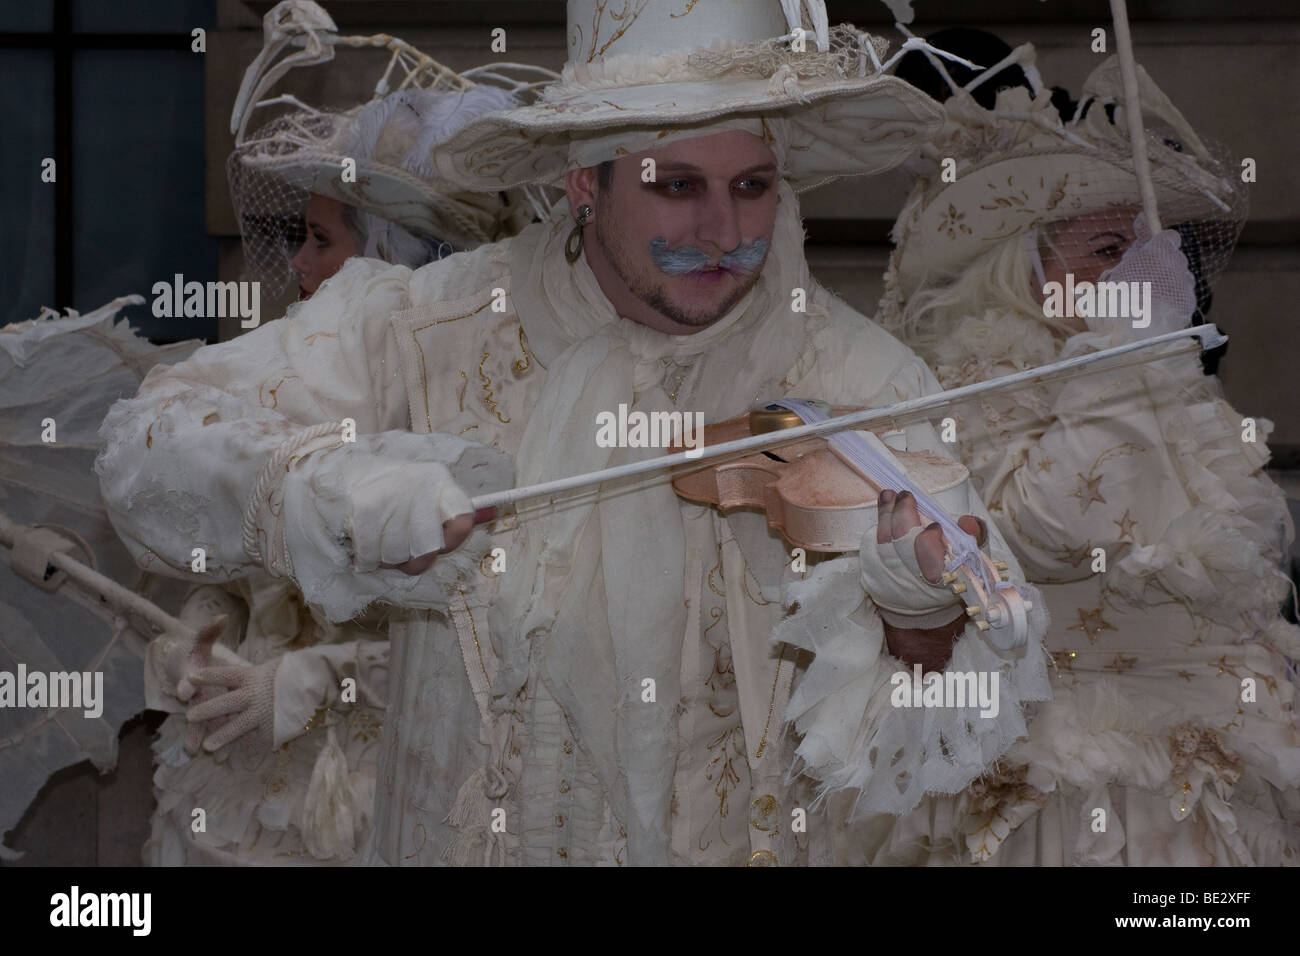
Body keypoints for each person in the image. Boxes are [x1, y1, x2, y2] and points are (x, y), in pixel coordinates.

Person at [98, 0, 1054, 867]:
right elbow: (149, 446)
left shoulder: (863, 385)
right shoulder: (425, 327)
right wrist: (330, 494)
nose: (724, 231)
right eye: (677, 186)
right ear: (584, 180)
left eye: (754, 185)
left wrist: (918, 622)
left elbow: (946, 734)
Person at [136, 1, 549, 865]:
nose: (299, 265)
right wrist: (199, 631)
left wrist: (314, 680)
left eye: (322, 240)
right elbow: (242, 559)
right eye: (300, 236)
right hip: (240, 785)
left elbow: (499, 635)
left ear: (393, 261)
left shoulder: (483, 414)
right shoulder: (289, 378)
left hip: (374, 797)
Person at [872, 44, 1300, 864]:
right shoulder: (979, 377)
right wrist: (1132, 345)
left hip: (1205, 775)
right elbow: (1057, 525)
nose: (1138, 274)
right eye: (1107, 251)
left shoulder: (1154, 378)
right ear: (1021, 269)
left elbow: (1249, 563)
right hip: (1081, 787)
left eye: (1146, 252)